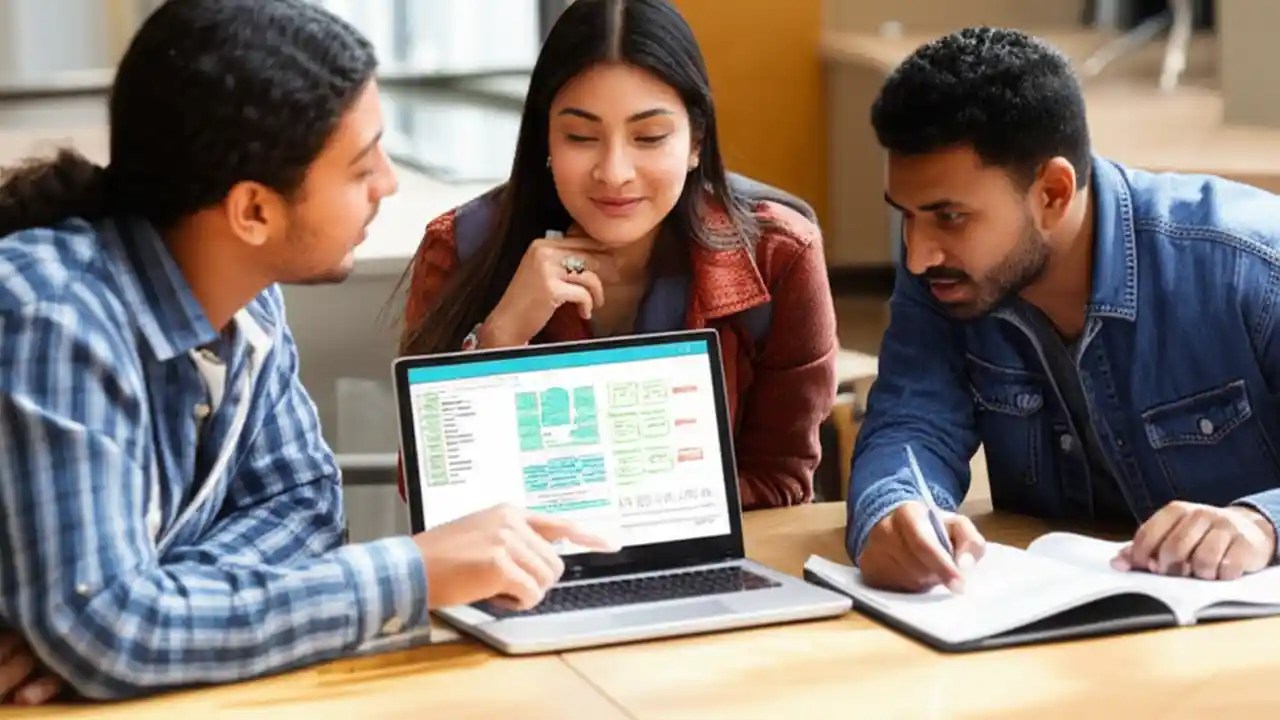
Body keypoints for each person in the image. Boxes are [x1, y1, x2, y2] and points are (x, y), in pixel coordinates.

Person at [0, 0, 610, 703]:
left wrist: (150, 612)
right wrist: (412, 573)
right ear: (254, 211)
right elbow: (112, 629)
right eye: (359, 168)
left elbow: (304, 505)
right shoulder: (53, 315)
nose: (389, 182)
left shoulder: (246, 292)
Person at [848, 27, 1280, 594]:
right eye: (904, 215)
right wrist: (894, 509)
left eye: (949, 216)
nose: (918, 252)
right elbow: (911, 422)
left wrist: (1261, 523)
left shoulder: (1248, 264)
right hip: (1059, 639)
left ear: (1053, 192)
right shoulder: (945, 275)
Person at [395, 0, 838, 511]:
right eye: (580, 137)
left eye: (649, 137)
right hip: (526, 572)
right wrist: (500, 334)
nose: (614, 172)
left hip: (705, 563)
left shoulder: (779, 256)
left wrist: (622, 513)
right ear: (546, 138)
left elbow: (782, 480)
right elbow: (426, 491)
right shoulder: (462, 248)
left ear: (696, 141)